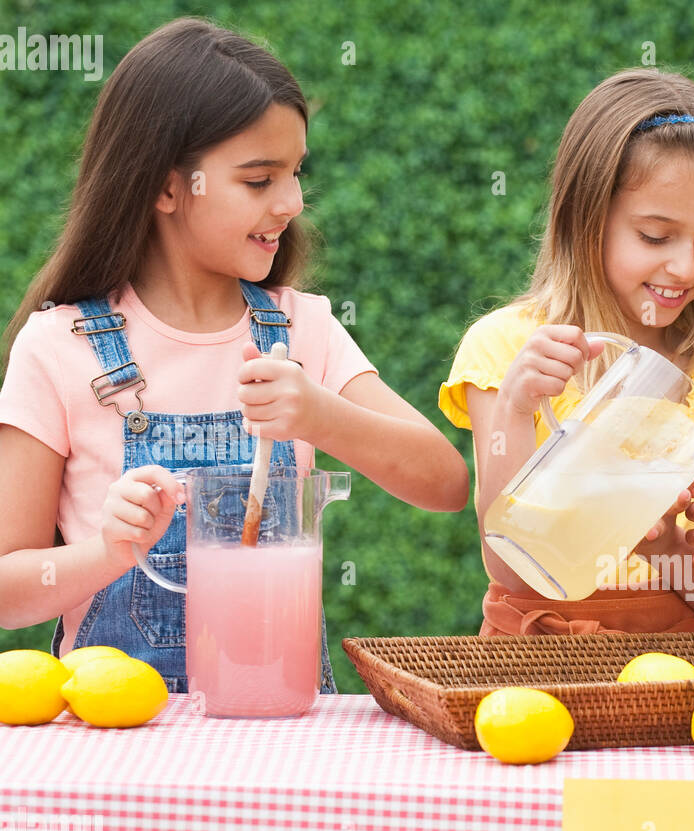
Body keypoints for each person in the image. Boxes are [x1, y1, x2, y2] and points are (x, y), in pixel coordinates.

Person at [0, 18, 468, 691]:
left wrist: (321, 417)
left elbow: (445, 483)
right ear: (166, 188)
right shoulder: (59, 347)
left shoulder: (300, 328)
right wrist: (108, 552)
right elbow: (11, 586)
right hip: (119, 741)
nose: (292, 201)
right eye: (258, 180)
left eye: (296, 172)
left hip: (281, 735)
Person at [439, 68, 694, 636]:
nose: (685, 267)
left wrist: (671, 548)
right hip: (531, 670)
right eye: (654, 236)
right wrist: (515, 410)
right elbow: (511, 568)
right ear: (585, 219)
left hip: (674, 680)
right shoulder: (511, 349)